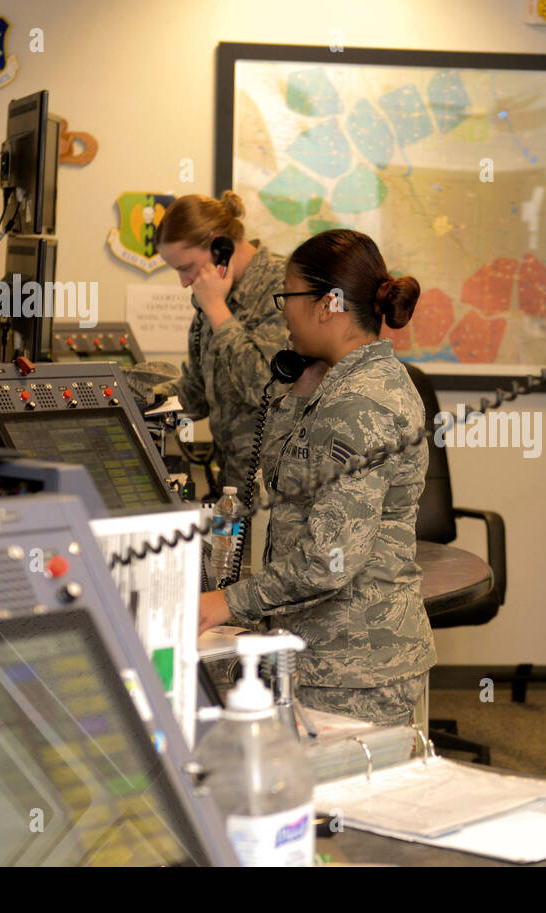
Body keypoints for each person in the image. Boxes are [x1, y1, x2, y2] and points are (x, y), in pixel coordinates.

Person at [195, 229, 435, 727]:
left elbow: (329, 560)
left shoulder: (359, 403)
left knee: (342, 804)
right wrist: (298, 389)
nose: (284, 310)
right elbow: (288, 482)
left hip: (353, 667)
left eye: (290, 297)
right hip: (329, 654)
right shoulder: (339, 386)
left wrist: (227, 603)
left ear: (328, 304)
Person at [149, 191, 290, 493]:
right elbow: (196, 393)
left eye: (186, 267)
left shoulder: (284, 286)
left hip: (277, 491)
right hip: (232, 484)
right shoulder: (211, 296)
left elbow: (268, 387)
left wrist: (217, 311)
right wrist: (137, 402)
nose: (184, 281)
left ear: (219, 245)